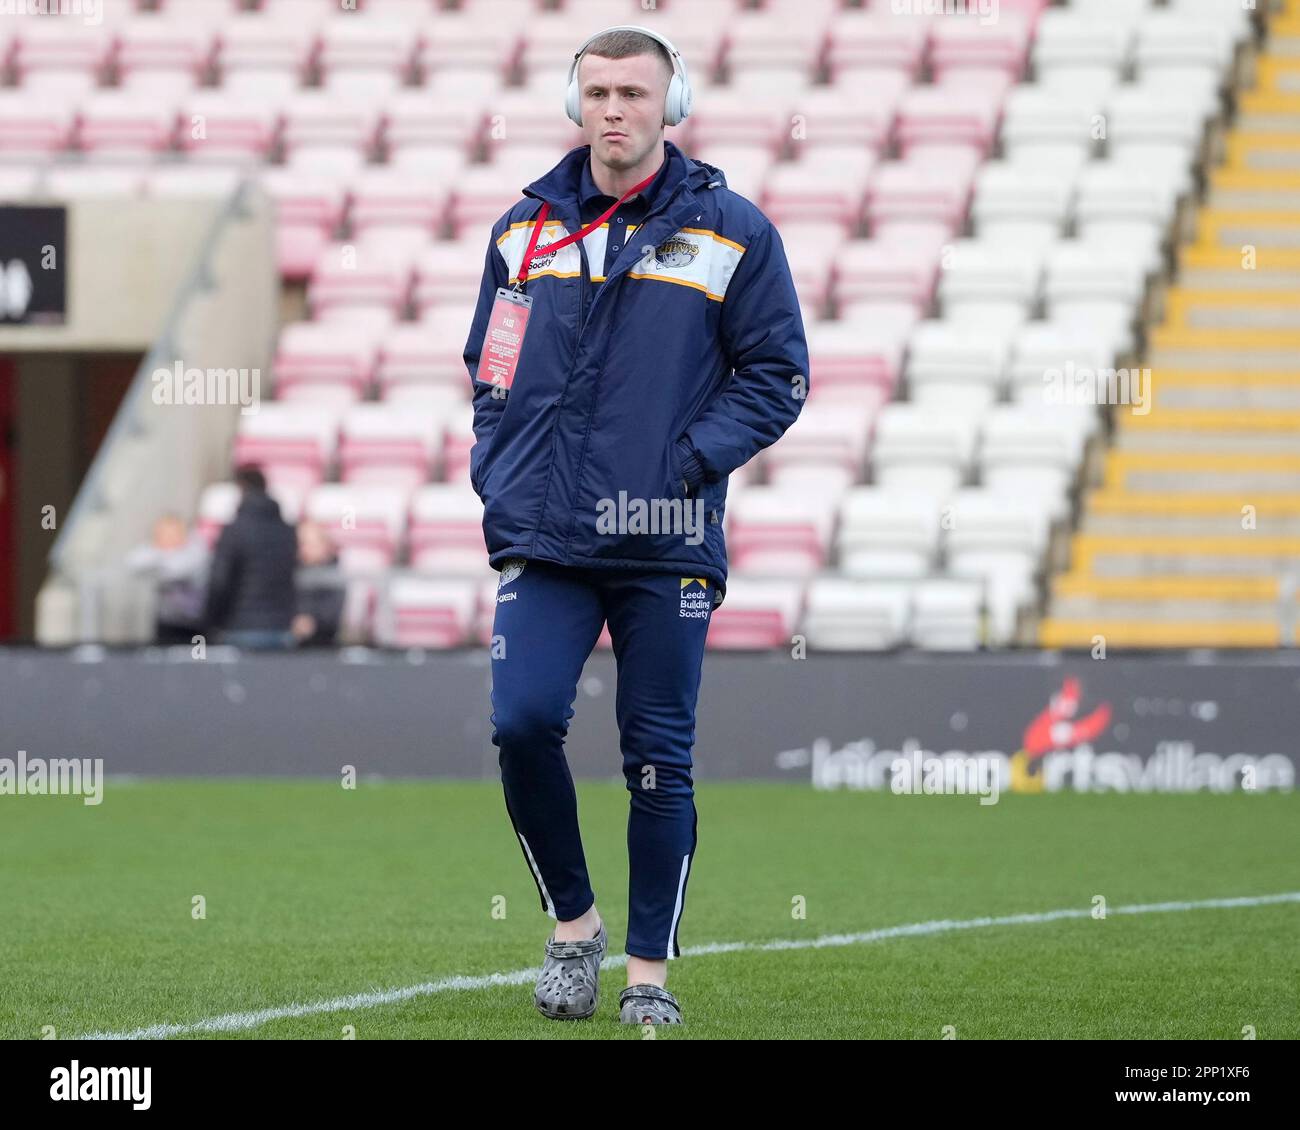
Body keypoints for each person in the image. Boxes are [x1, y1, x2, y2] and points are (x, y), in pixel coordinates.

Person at [463, 25, 809, 1024]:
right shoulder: (520, 232)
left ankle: (648, 975)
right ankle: (573, 925)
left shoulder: (734, 230)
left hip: (663, 534)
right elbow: (491, 363)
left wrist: (684, 460)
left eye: (634, 92)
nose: (616, 109)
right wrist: (500, 460)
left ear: (673, 103)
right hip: (546, 529)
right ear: (577, 105)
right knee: (521, 721)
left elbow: (776, 376)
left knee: (657, 754)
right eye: (599, 91)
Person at [204, 465, 299, 651]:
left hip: (240, 626)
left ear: (241, 488)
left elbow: (219, 580)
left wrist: (210, 621)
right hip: (281, 626)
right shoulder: (287, 531)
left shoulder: (235, 530)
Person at [125, 514, 210, 645]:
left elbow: (175, 570)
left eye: (170, 534)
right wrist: (160, 552)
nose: (166, 539)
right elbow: (134, 562)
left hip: (194, 624)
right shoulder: (159, 552)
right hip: (167, 621)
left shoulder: (195, 552)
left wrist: (158, 555)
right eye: (161, 534)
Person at [292, 519, 346, 647]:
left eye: (308, 544)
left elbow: (332, 614)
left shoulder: (335, 576)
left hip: (324, 646)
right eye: (299, 544)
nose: (303, 549)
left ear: (325, 545)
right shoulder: (288, 572)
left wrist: (311, 622)